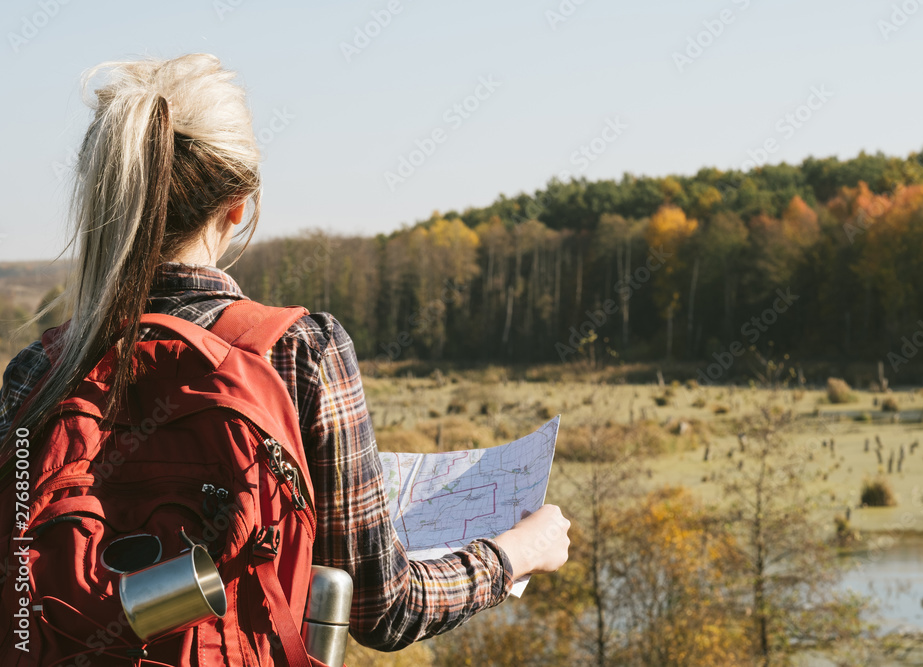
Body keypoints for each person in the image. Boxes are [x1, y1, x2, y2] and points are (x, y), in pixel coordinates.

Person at [0, 53, 570, 651]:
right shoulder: (300, 353)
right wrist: (512, 554)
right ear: (238, 206)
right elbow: (386, 608)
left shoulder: (38, 374)